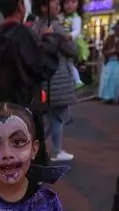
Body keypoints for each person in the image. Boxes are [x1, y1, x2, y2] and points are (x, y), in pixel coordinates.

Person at [33, 0, 78, 162]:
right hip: (58, 77)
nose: (58, 6)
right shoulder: (56, 26)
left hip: (43, 78)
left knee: (50, 117)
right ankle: (53, 151)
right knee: (57, 116)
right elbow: (73, 51)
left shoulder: (36, 25)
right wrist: (68, 39)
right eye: (55, 3)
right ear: (44, 6)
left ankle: (41, 149)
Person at [0, 0, 46, 107]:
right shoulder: (22, 34)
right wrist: (47, 41)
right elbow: (40, 69)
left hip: (4, 106)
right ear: (20, 6)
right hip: (25, 104)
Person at [99, 20, 119, 104]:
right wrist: (108, 52)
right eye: (117, 29)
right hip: (109, 61)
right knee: (107, 79)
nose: (118, 31)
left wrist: (117, 50)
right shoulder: (109, 38)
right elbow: (104, 50)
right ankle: (108, 97)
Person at [61, 0, 86, 89]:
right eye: (66, 3)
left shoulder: (76, 18)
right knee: (68, 63)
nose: (69, 5)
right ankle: (74, 80)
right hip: (65, 42)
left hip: (72, 43)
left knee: (69, 63)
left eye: (73, 2)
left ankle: (77, 80)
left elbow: (77, 30)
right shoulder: (62, 17)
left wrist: (70, 36)